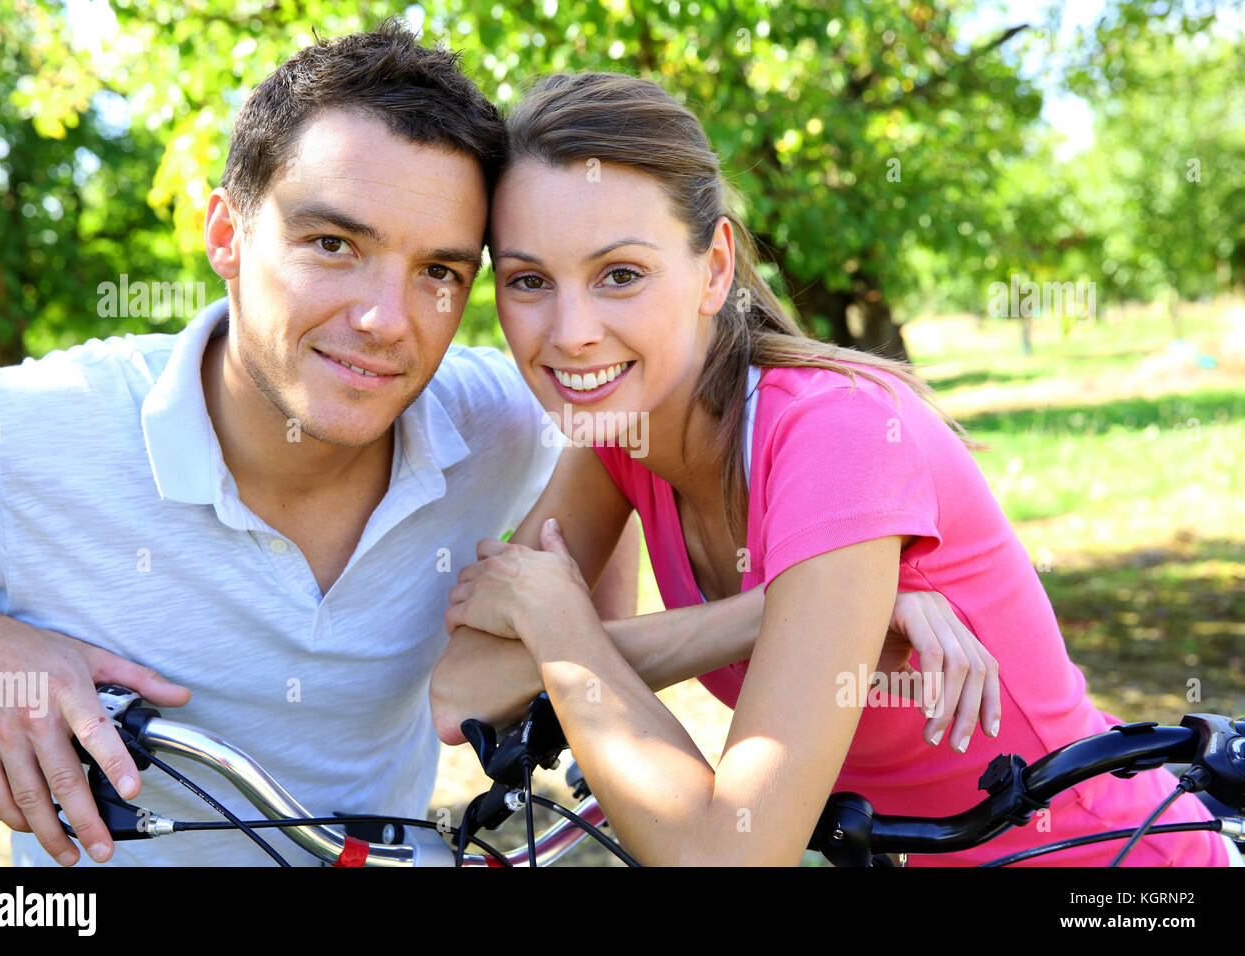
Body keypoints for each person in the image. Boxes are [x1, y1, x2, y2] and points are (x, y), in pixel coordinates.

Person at [0, 25, 983, 868]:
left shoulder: (505, 414)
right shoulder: (23, 432)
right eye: (332, 244)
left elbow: (539, 657)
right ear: (226, 233)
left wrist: (809, 600)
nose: (386, 320)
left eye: (441, 270)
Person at [433, 72, 1233, 866]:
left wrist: (562, 625)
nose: (571, 333)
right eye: (530, 281)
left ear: (714, 269)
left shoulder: (837, 435)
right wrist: (776, 614)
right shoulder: (619, 436)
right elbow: (459, 693)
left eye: (621, 275)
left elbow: (728, 857)